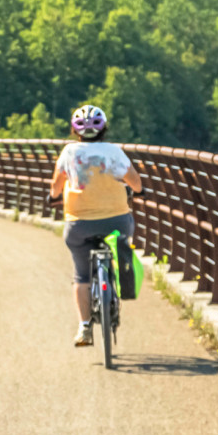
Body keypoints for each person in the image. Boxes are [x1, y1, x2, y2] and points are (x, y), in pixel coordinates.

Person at [50, 105, 143, 346]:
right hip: (117, 221)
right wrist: (139, 192)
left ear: (74, 130)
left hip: (79, 223)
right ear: (105, 129)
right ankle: (121, 274)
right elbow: (134, 180)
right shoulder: (114, 151)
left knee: (82, 275)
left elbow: (56, 186)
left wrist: (53, 197)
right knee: (122, 237)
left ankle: (83, 327)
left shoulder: (69, 152)